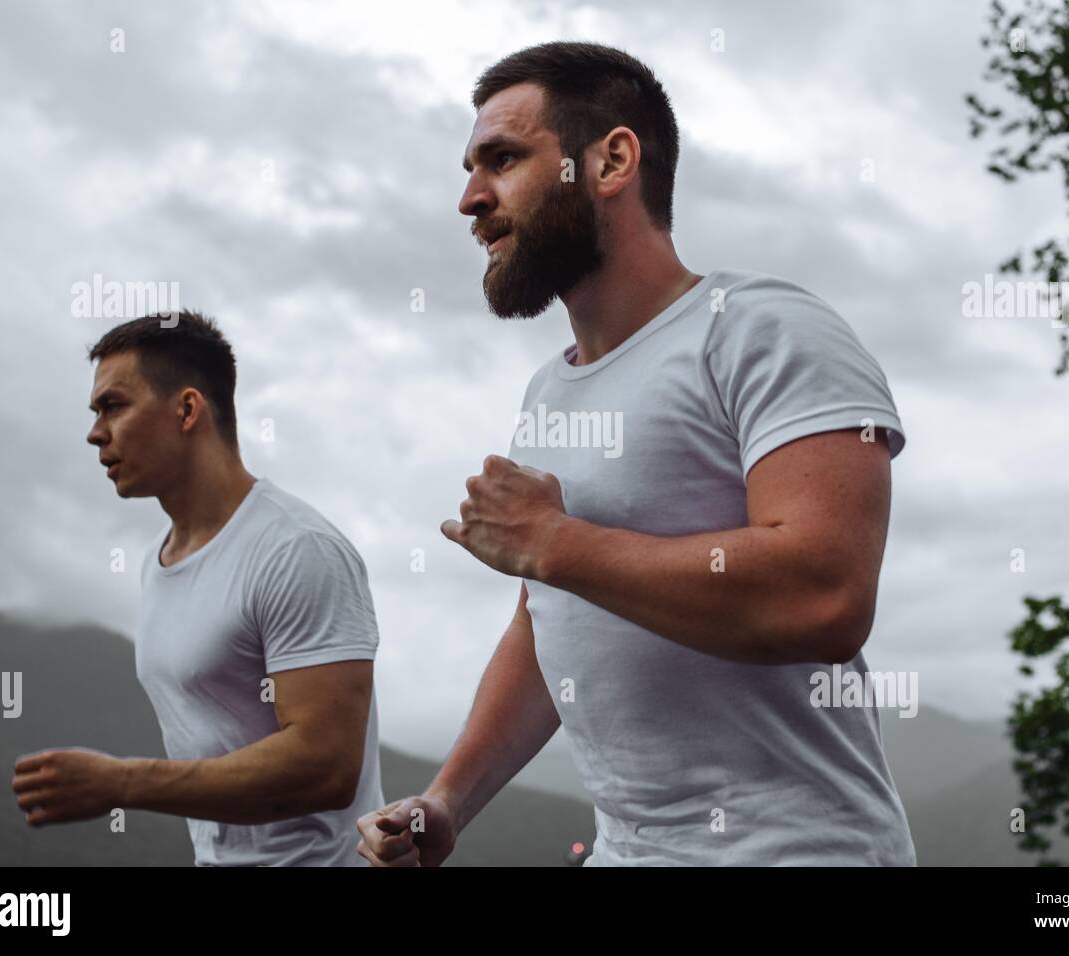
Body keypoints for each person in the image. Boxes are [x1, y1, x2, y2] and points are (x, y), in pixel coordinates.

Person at [357, 41, 917, 866]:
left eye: (502, 160)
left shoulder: (765, 330)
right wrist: (447, 802)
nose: (471, 199)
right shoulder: (548, 394)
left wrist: (553, 541)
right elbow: (550, 620)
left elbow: (825, 595)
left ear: (612, 160)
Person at [11, 310, 383, 866]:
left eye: (113, 406)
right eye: (95, 413)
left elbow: (327, 765)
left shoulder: (296, 549)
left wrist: (122, 784)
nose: (94, 433)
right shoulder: (155, 562)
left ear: (187, 409)